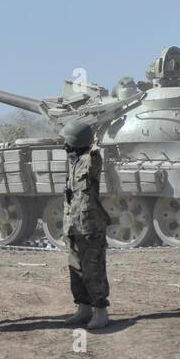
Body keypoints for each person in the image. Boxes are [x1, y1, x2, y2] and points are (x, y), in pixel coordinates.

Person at [62, 118, 111, 329]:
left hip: (90, 227)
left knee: (94, 270)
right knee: (76, 270)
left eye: (67, 140)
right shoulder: (72, 162)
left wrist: (94, 150)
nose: (64, 144)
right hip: (73, 226)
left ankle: (100, 311)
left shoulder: (90, 160)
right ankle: (83, 309)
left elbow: (95, 162)